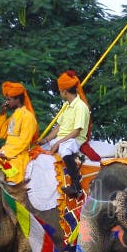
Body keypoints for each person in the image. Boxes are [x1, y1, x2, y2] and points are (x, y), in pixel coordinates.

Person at [39, 70, 91, 198]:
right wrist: (45, 140)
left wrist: (58, 142)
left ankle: (76, 186)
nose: (60, 93)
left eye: (60, 91)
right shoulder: (66, 106)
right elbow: (59, 127)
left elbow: (77, 131)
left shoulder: (80, 106)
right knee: (39, 151)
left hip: (74, 139)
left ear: (64, 92)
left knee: (65, 149)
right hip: (62, 138)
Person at [0, 81, 39, 184]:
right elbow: (2, 134)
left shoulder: (28, 117)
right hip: (5, 153)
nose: (7, 102)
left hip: (18, 156)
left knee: (11, 182)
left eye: (9, 99)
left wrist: (7, 154)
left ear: (17, 99)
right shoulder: (13, 116)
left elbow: (24, 142)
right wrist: (2, 114)